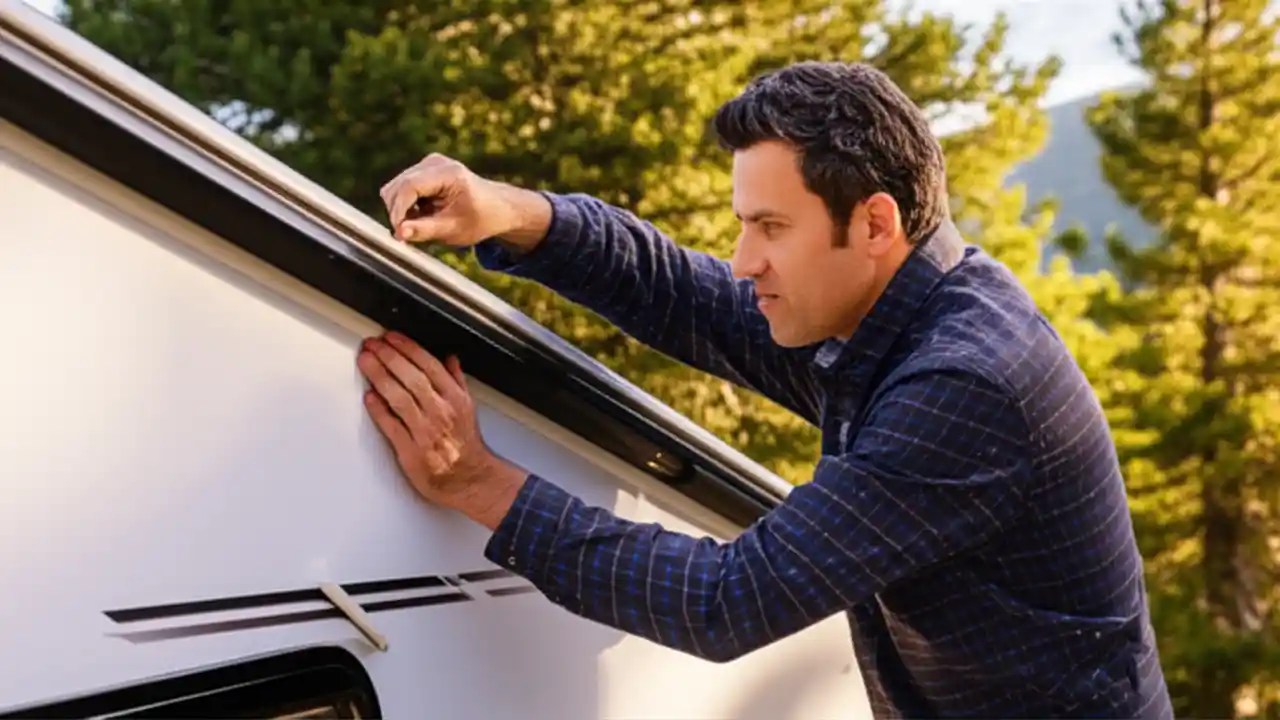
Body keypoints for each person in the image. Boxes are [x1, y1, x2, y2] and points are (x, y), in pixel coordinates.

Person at [354, 61, 1171, 719]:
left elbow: (725, 600)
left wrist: (478, 482)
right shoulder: (901, 306)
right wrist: (506, 212)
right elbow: (686, 294)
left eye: (772, 228)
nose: (746, 260)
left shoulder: (965, 385)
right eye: (746, 224)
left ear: (876, 223)